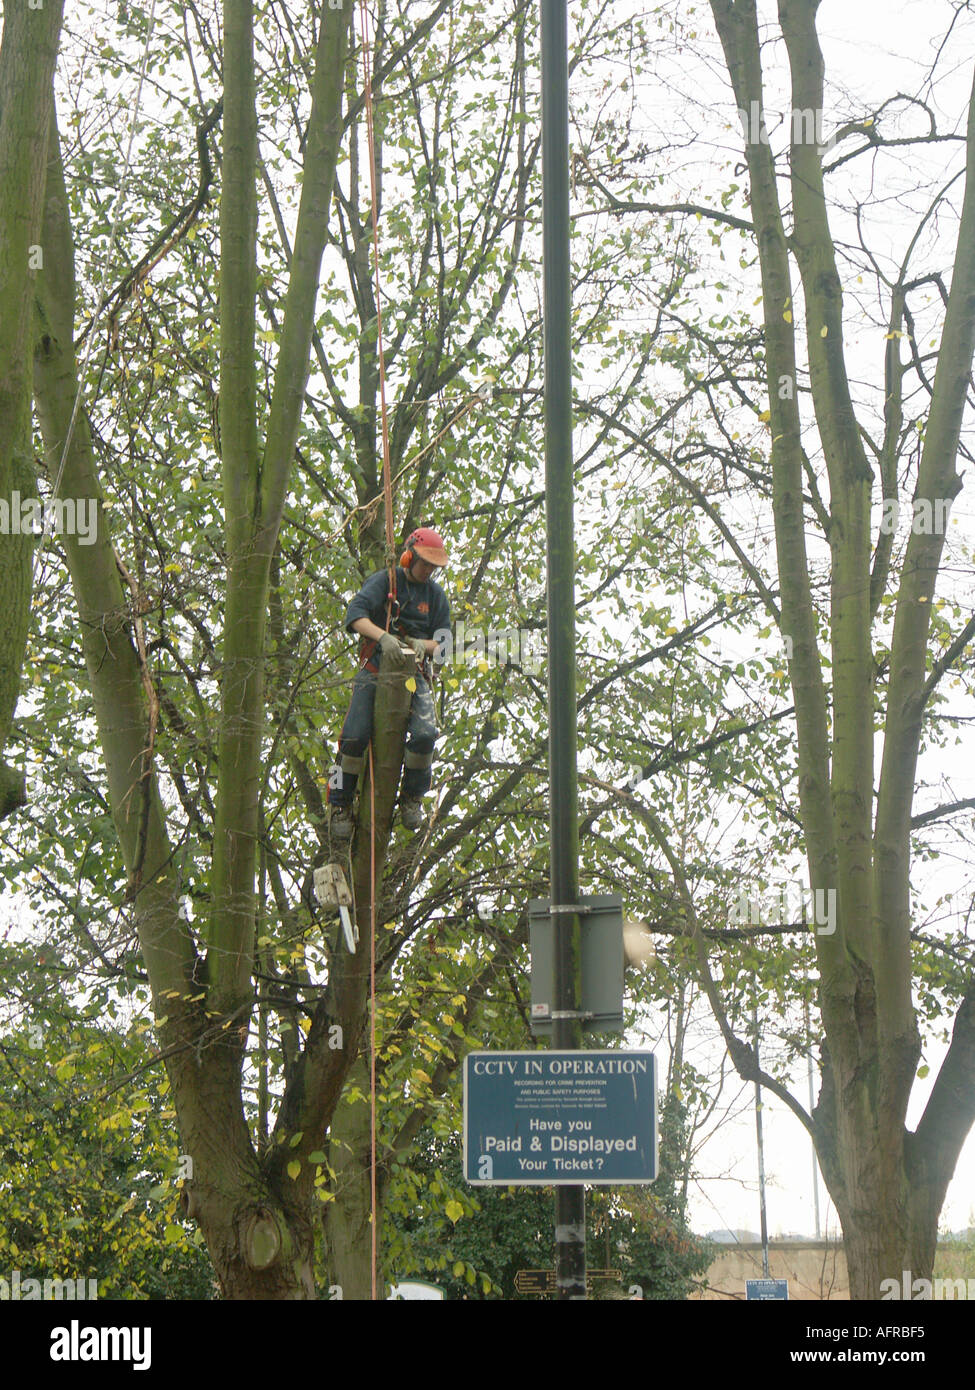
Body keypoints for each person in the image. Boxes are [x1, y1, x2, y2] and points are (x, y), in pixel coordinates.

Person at [327, 526, 450, 839]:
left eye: (434, 568)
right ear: (408, 556)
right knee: (353, 736)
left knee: (425, 733)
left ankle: (412, 797)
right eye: (424, 565)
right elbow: (355, 615)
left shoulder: (435, 596)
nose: (429, 572)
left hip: (414, 674)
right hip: (375, 668)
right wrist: (382, 636)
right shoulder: (387, 581)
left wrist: (424, 645)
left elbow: (446, 643)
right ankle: (338, 801)